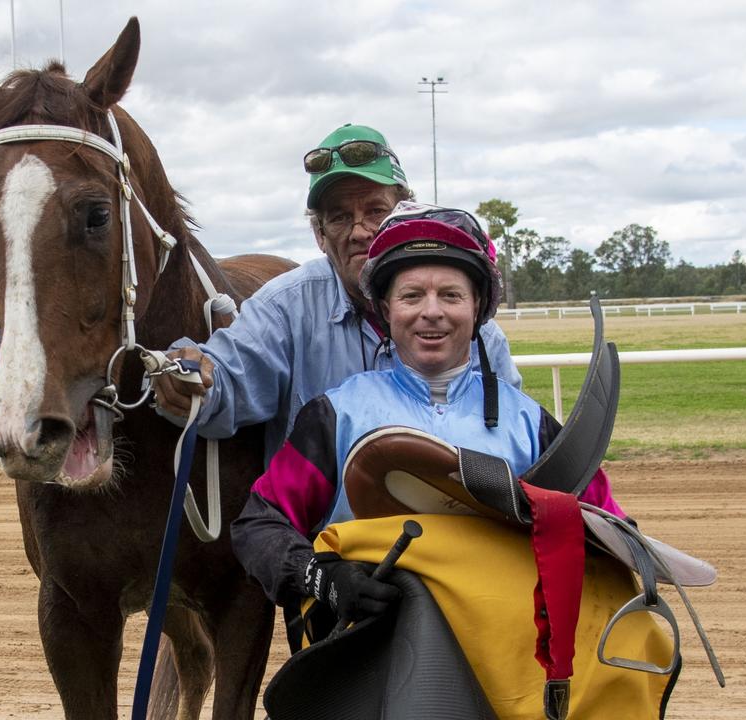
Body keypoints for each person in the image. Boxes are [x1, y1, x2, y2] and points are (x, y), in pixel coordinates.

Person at [230, 202, 625, 631]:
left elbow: (611, 528)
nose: (431, 311)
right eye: (412, 296)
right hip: (361, 654)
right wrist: (324, 579)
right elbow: (259, 523)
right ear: (386, 309)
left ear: (477, 307)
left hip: (507, 653)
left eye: (451, 295)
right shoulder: (335, 415)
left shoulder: (531, 424)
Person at [152, 124, 521, 464]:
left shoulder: (476, 331)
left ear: (405, 216)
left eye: (375, 211)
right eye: (340, 217)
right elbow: (227, 382)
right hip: (321, 514)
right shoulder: (287, 306)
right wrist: (188, 377)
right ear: (320, 236)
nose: (359, 231)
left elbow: (516, 436)